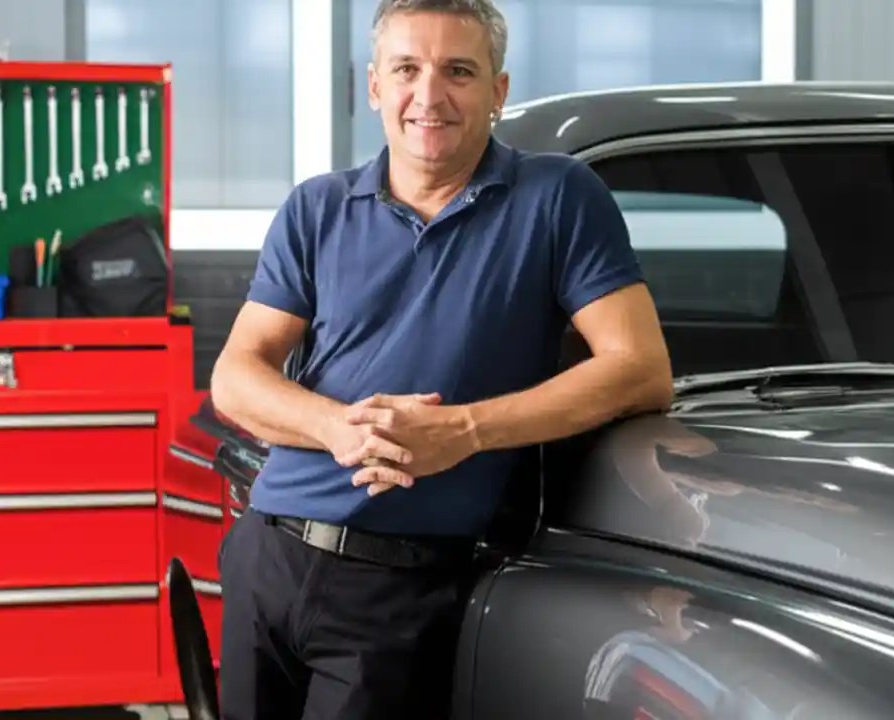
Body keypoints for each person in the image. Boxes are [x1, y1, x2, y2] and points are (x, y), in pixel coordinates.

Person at [208, 0, 674, 717]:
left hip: (404, 585)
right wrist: (338, 428)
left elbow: (640, 369)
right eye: (407, 70)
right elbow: (237, 378)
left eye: (458, 71)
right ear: (374, 87)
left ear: (498, 91)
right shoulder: (316, 207)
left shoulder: (556, 199)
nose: (429, 96)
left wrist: (464, 431)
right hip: (267, 556)